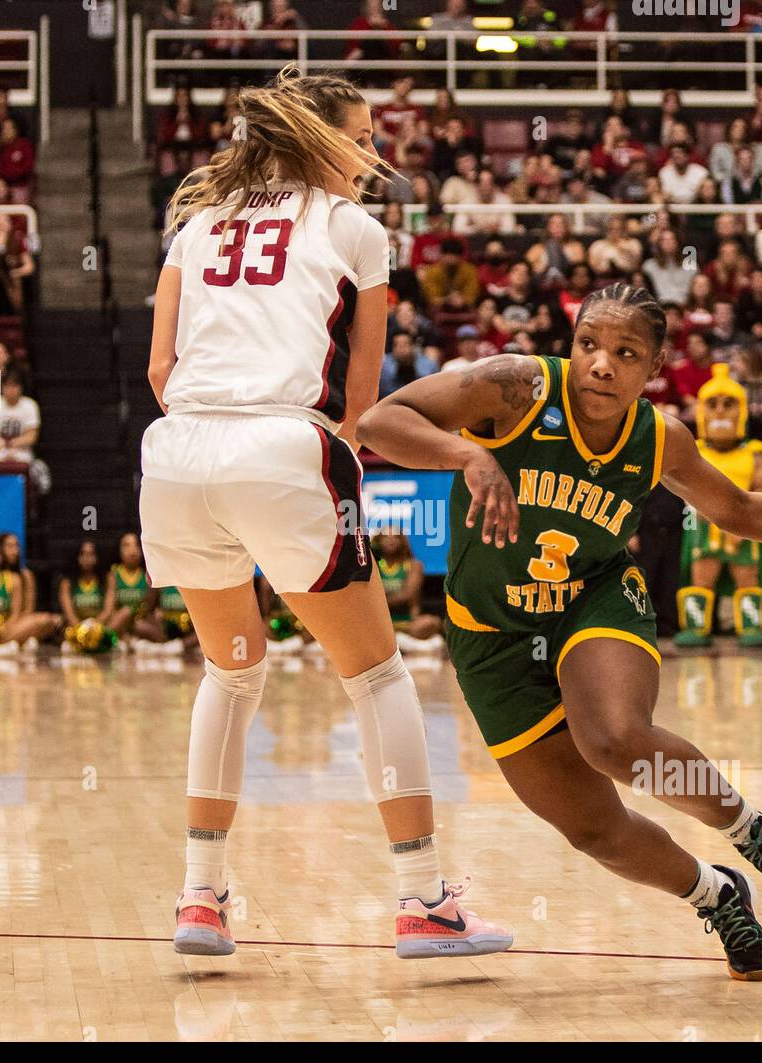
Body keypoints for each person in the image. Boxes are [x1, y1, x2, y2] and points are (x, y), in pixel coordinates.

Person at [357, 283, 762, 981]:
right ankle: (716, 893)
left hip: (592, 598)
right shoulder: (513, 388)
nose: (602, 365)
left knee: (614, 739)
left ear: (655, 367)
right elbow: (377, 422)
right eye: (589, 346)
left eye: (625, 353)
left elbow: (736, 510)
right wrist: (466, 455)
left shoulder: (658, 438)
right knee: (593, 829)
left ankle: (752, 830)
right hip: (491, 634)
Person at [141, 69, 510, 960]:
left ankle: (200, 895)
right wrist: (316, 459)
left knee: (231, 674)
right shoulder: (354, 228)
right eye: (363, 137)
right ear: (318, 141)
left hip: (178, 455)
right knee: (377, 675)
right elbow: (360, 394)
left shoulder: (195, 227)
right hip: (282, 448)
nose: (374, 155)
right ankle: (424, 898)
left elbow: (159, 371)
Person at [674, 369, 762, 648]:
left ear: (741, 411)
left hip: (744, 527)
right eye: (712, 404)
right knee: (702, 577)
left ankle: (751, 626)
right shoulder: (693, 449)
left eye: (728, 404)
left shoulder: (755, 452)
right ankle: (697, 628)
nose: (720, 411)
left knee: (747, 576)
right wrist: (709, 515)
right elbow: (682, 489)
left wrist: (744, 522)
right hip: (704, 526)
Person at [374, 531, 442, 647]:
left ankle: (396, 636)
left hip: (407, 623)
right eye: (385, 537)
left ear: (402, 540)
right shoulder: (373, 565)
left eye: (395, 537)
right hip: (378, 623)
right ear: (378, 541)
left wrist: (378, 600)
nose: (390, 540)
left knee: (431, 622)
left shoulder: (414, 565)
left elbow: (407, 595)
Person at [59, 538, 119, 655]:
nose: (87, 558)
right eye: (83, 554)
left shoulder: (108, 578)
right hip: (77, 627)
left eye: (91, 554)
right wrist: (83, 629)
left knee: (123, 614)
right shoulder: (67, 583)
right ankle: (90, 645)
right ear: (77, 557)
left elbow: (108, 611)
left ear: (97, 557)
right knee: (63, 626)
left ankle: (96, 643)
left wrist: (93, 626)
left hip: (101, 626)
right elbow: (69, 614)